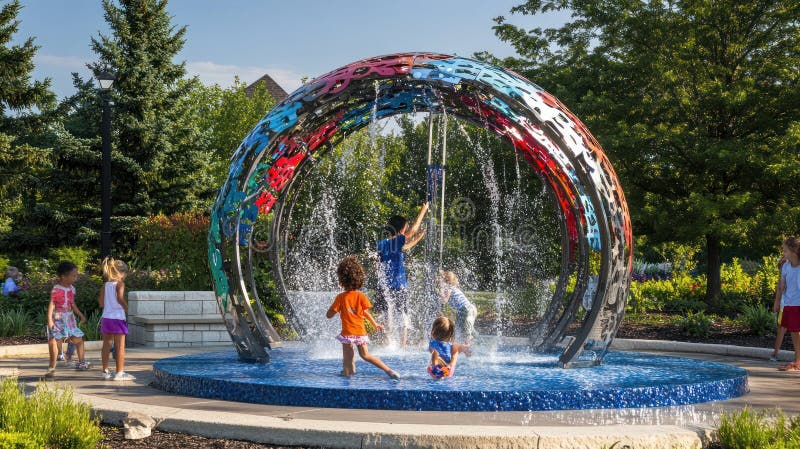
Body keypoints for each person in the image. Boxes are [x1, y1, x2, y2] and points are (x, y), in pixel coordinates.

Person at [326, 256, 400, 379]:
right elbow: (365, 313)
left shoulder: (341, 297)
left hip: (348, 333)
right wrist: (375, 324)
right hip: (360, 332)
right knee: (366, 355)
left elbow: (329, 315)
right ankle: (389, 371)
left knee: (348, 357)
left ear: (341, 280)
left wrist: (331, 312)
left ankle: (348, 374)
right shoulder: (361, 296)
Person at [376, 203, 428, 347]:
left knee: (385, 316)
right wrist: (423, 210)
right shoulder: (398, 240)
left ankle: (386, 345)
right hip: (399, 286)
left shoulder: (382, 243)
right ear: (400, 230)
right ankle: (402, 347)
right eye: (405, 228)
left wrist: (418, 238)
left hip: (383, 286)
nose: (407, 230)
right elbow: (413, 230)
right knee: (402, 316)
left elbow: (404, 247)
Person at [45, 262, 90, 378]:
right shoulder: (56, 289)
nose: (76, 278)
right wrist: (49, 320)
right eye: (74, 275)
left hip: (69, 319)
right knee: (54, 341)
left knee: (78, 339)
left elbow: (72, 304)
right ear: (63, 276)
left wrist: (81, 315)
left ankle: (81, 362)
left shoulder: (72, 289)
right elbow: (52, 304)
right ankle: (52, 367)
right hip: (58, 319)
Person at [99, 257, 134, 381]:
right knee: (119, 346)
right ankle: (119, 373)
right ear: (122, 273)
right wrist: (128, 309)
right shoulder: (120, 284)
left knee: (106, 345)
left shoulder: (105, 285)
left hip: (106, 318)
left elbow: (101, 303)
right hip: (118, 319)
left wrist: (109, 305)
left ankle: (105, 371)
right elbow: (120, 298)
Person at [777, 237, 800, 372]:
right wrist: (782, 285)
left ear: (794, 251)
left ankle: (798, 361)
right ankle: (797, 360)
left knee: (796, 332)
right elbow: (782, 284)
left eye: (785, 251)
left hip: (798, 304)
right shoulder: (786, 266)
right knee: (794, 331)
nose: (783, 253)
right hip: (789, 303)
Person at [439, 271, 478, 345]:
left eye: (441, 280)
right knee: (465, 329)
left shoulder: (448, 288)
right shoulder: (453, 288)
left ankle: (468, 347)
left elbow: (445, 300)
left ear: (445, 281)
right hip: (470, 309)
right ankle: (480, 342)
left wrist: (437, 299)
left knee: (465, 332)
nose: (440, 283)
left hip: (465, 310)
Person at [771, 256, 788, 361]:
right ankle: (775, 352)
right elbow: (779, 290)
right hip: (784, 305)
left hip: (793, 305)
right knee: (781, 328)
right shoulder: (782, 278)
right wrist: (776, 303)